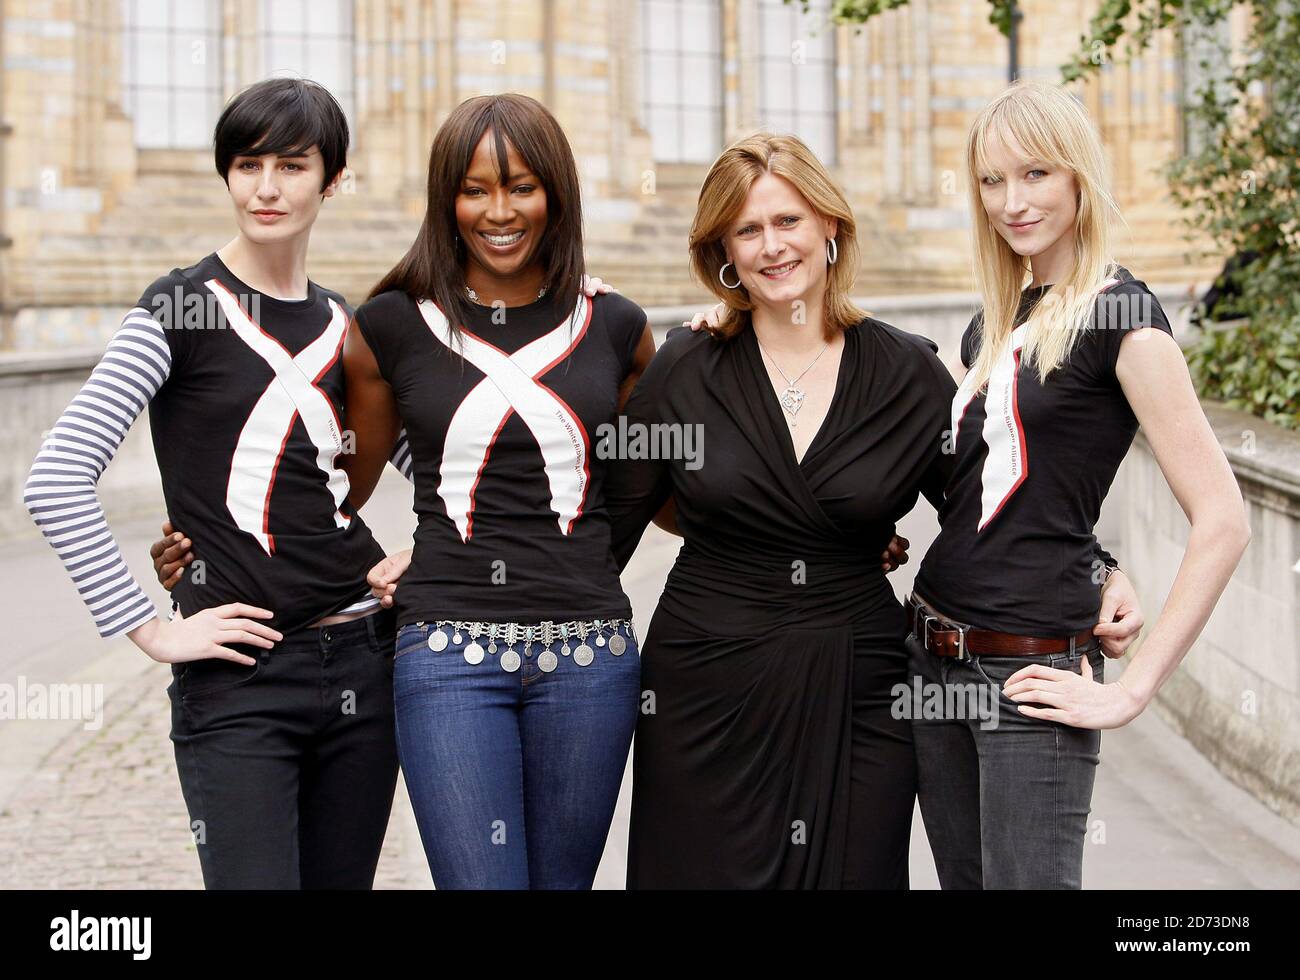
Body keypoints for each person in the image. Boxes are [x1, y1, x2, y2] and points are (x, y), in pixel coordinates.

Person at [24, 78, 406, 889]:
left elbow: (453, 469)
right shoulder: (178, 308)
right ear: (226, 175)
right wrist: (152, 631)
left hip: (365, 664)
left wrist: (422, 559)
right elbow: (56, 477)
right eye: (246, 164)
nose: (266, 188)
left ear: (331, 179)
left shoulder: (349, 326)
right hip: (238, 684)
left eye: (292, 166)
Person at [906, 80, 1251, 889]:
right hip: (930, 659)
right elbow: (988, 492)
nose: (1010, 201)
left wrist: (1133, 691)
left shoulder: (1124, 319)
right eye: (991, 180)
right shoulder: (994, 321)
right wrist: (1101, 562)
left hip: (1029, 682)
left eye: (1035, 175)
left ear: (1077, 178)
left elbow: (1224, 519)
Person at [335, 93, 656, 889]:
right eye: (475, 189)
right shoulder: (389, 327)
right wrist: (203, 540)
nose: (499, 211)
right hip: (446, 659)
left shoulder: (616, 325)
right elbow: (336, 486)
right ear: (447, 198)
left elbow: (655, 490)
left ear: (557, 193)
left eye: (522, 187)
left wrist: (829, 526)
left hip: (591, 661)